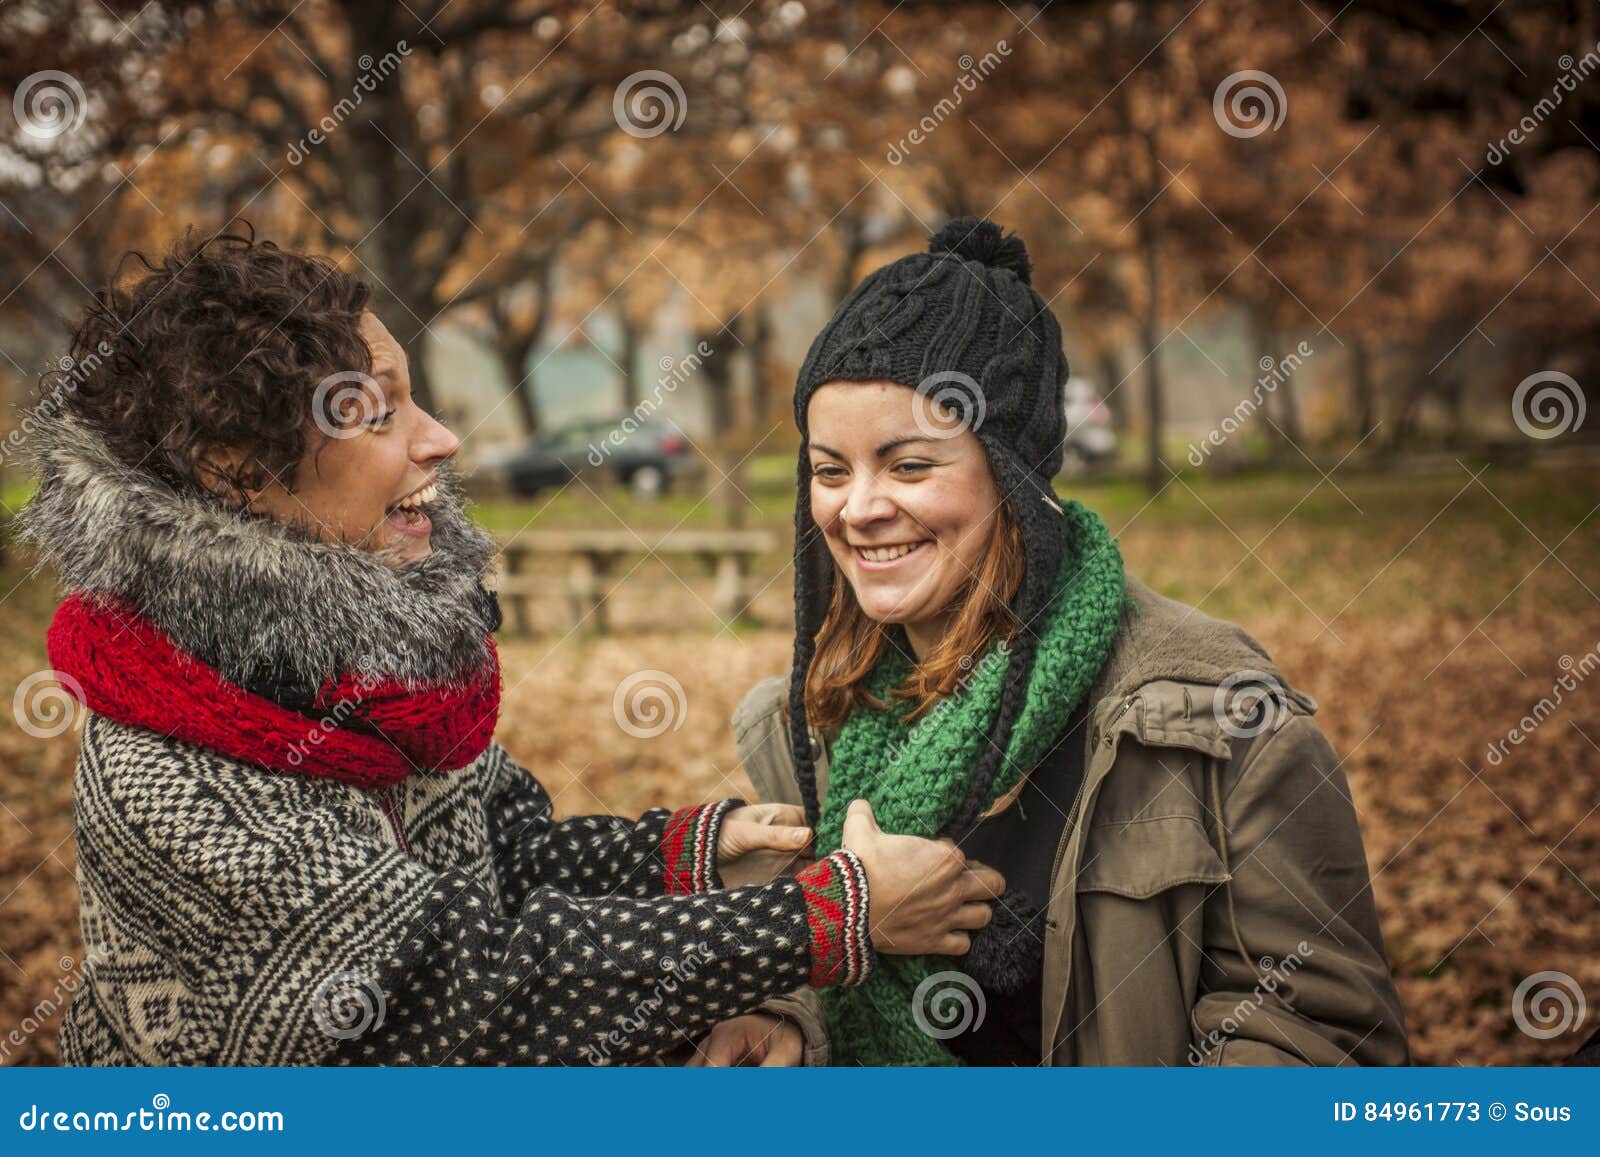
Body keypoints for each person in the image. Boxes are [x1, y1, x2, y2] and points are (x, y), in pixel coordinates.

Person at [18, 228, 1004, 1066]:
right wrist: (824, 921)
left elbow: (501, 856)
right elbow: (455, 984)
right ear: (235, 469)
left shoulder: (373, 662)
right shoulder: (171, 766)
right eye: (378, 409)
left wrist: (678, 849)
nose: (441, 436)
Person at [700, 217, 1412, 1067]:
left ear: (1012, 470)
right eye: (829, 470)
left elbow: (1320, 1033)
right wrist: (791, 1018)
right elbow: (794, 959)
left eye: (910, 465)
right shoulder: (805, 723)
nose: (858, 507)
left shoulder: (1218, 722)